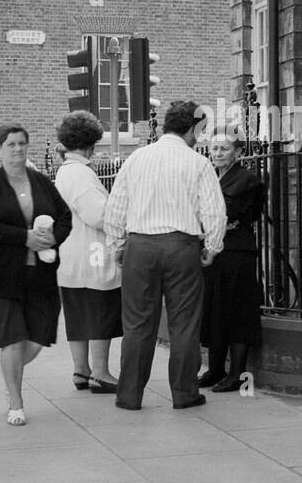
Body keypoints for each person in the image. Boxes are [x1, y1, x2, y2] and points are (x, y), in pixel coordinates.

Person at [103, 100, 226, 411]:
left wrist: (117, 246)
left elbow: (116, 207)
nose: (202, 136)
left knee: (137, 325)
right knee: (184, 324)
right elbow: (214, 211)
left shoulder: (137, 158)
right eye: (201, 130)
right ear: (192, 128)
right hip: (181, 246)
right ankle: (185, 394)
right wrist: (212, 247)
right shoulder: (198, 163)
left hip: (140, 246)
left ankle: (129, 395)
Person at [0, 124, 72, 425]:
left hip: (39, 275)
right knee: (12, 339)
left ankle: (10, 371)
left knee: (38, 338)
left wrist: (54, 237)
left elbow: (65, 217)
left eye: (22, 144)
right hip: (0, 275)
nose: (17, 149)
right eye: (11, 144)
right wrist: (23, 237)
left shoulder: (41, 182)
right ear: (0, 149)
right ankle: (15, 401)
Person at [54, 112, 121, 395]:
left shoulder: (64, 171)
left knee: (77, 315)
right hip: (91, 257)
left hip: (71, 257)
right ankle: (101, 372)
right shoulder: (81, 173)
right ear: (91, 142)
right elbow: (97, 214)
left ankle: (81, 370)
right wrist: (120, 221)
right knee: (100, 312)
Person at [200, 131, 267, 394]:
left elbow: (230, 213)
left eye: (224, 149)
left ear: (238, 152)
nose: (217, 153)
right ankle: (216, 369)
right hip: (214, 252)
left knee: (237, 311)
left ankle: (237, 374)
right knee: (214, 309)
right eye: (214, 148)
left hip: (237, 253)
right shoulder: (209, 178)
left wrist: (214, 219)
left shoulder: (247, 180)